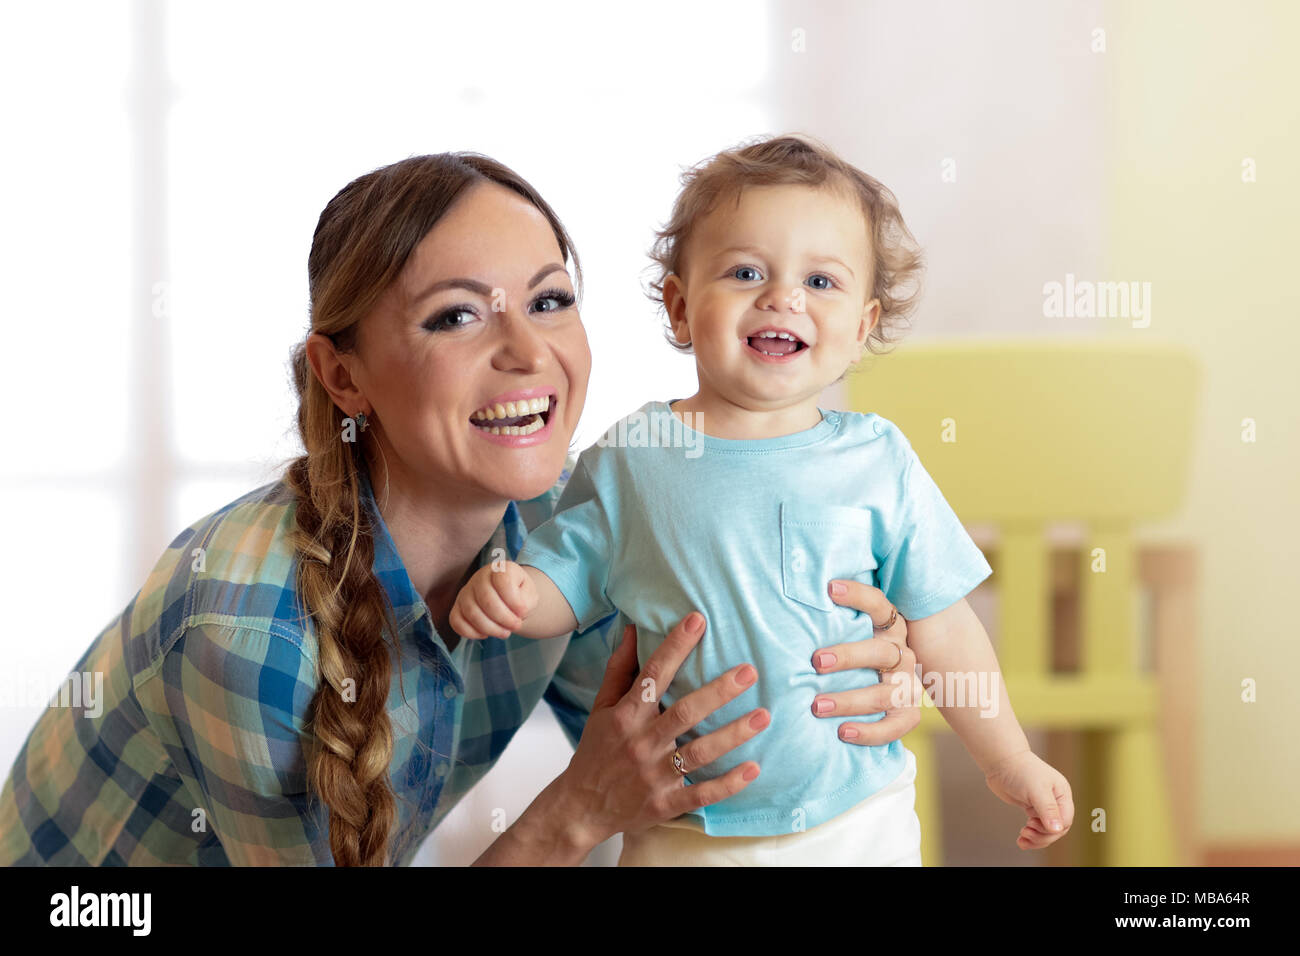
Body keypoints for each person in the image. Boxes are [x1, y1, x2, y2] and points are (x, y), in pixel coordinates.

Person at [0, 150, 922, 867]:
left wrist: (851, 676)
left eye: (550, 300)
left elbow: (686, 713)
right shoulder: (251, 633)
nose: (528, 351)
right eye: (456, 316)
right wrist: (575, 814)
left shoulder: (571, 534)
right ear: (344, 374)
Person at [452, 135, 1075, 866]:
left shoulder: (879, 460)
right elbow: (568, 580)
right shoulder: (636, 456)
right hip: (685, 827)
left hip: (858, 817)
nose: (782, 297)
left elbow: (943, 626)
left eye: (821, 282)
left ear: (862, 329)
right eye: (746, 272)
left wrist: (1008, 760)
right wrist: (515, 595)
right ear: (681, 309)